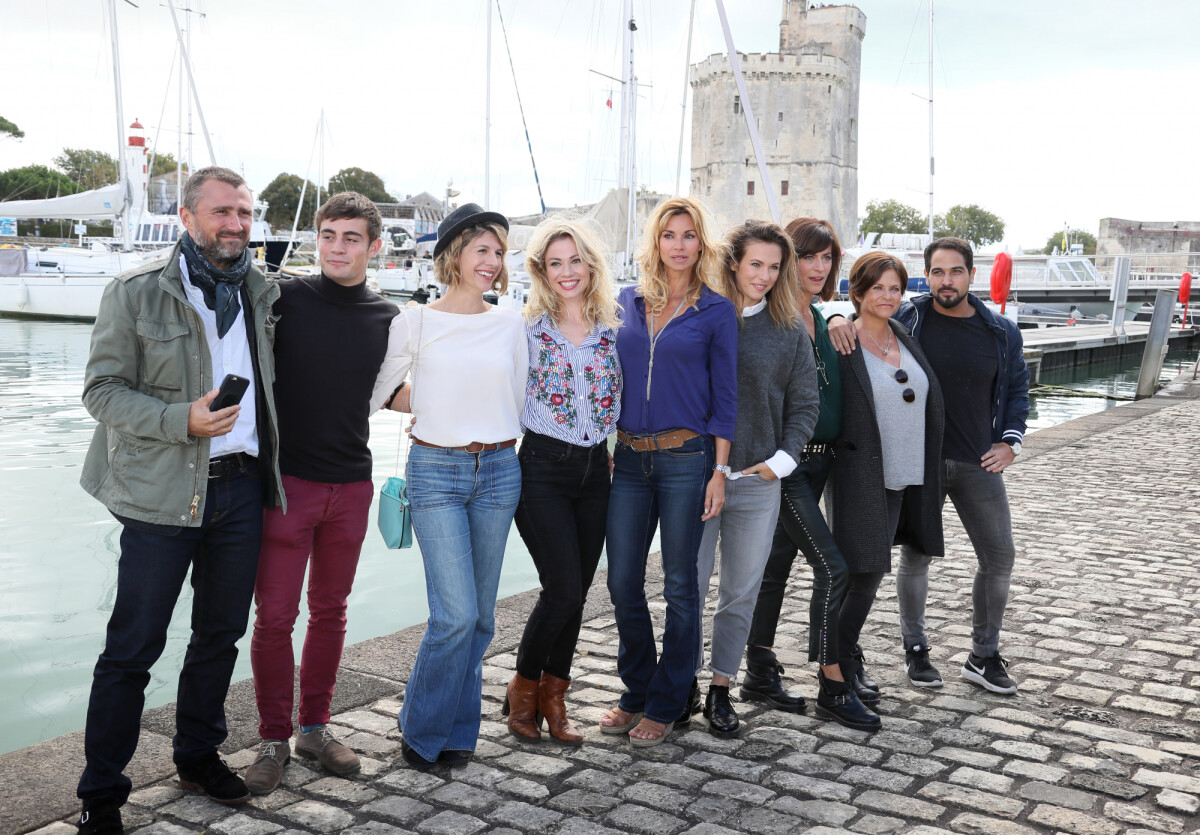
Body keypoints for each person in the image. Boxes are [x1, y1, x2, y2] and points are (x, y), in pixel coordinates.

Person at [75, 167, 285, 833]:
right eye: (223, 211)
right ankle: (102, 793)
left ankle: (197, 754)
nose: (237, 224)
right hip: (159, 497)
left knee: (220, 635)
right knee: (132, 647)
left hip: (243, 489)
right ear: (188, 218)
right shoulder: (135, 291)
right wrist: (181, 420)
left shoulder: (264, 289)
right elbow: (101, 391)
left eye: (246, 213)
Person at [243, 193, 399, 795]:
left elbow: (401, 388)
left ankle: (314, 727)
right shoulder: (284, 299)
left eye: (351, 237)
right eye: (328, 235)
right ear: (316, 238)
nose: (337, 247)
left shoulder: (389, 317)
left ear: (373, 245)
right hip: (287, 486)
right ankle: (272, 738)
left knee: (330, 611)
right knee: (275, 618)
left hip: (352, 485)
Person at [370, 203, 527, 769]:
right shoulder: (415, 321)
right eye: (482, 249)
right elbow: (380, 391)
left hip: (501, 470)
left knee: (482, 617)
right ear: (454, 254)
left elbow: (521, 400)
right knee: (454, 615)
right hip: (436, 471)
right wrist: (433, 404)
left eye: (499, 252)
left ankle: (458, 732)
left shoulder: (512, 322)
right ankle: (419, 727)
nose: (492, 261)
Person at [601, 196, 738, 747]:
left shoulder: (716, 311)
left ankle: (668, 700)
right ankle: (637, 689)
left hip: (689, 458)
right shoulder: (626, 303)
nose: (678, 245)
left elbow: (726, 398)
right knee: (621, 581)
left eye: (688, 235)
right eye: (668, 235)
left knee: (682, 586)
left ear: (700, 245)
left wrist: (719, 471)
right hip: (629, 458)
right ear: (654, 243)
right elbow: (602, 373)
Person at [741, 218, 877, 729]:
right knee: (833, 567)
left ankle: (758, 666)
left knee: (776, 564)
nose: (817, 267)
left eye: (826, 258)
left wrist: (840, 312)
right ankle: (833, 684)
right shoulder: (769, 322)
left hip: (824, 460)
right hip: (786, 464)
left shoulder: (823, 317)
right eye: (807, 256)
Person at [694, 220, 819, 737]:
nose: (765, 276)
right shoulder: (700, 316)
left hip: (757, 481)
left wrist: (780, 462)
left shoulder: (790, 330)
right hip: (697, 478)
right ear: (732, 263)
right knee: (689, 587)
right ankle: (681, 679)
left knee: (740, 592)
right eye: (755, 264)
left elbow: (805, 405)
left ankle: (721, 688)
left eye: (774, 266)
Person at [504, 219, 622, 745]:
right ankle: (524, 690)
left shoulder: (614, 327)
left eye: (575, 260)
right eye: (555, 263)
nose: (567, 272)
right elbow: (489, 382)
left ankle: (556, 698)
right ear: (541, 271)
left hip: (598, 469)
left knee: (576, 593)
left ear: (591, 264)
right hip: (542, 469)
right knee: (563, 588)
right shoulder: (523, 327)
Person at [894, 237, 1029, 694]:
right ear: (926, 275)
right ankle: (916, 650)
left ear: (971, 275)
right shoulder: (907, 318)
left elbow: (1017, 392)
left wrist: (1010, 441)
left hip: (978, 463)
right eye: (936, 272)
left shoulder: (1001, 332)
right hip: (922, 463)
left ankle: (983, 655)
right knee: (917, 556)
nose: (945, 281)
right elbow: (859, 330)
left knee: (999, 557)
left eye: (954, 272)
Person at [828, 251, 944, 728]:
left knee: (867, 572)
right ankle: (838, 665)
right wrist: (833, 313)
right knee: (865, 570)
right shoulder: (842, 338)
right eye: (878, 288)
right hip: (860, 473)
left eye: (895, 288)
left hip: (906, 472)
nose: (888, 296)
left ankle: (844, 655)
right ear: (857, 291)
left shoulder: (903, 334)